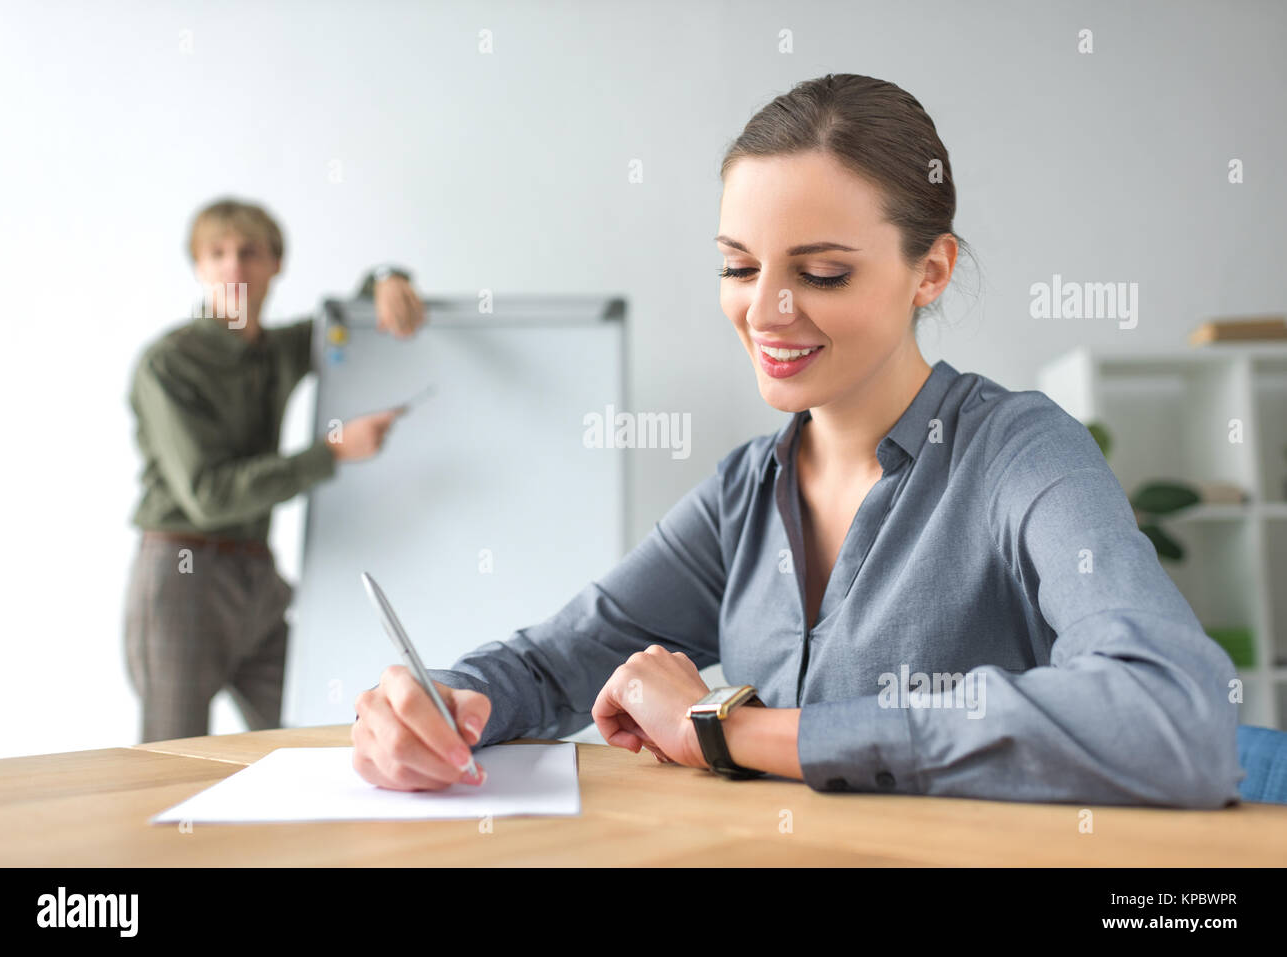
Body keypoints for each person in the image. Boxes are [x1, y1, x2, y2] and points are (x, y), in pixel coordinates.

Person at [351, 74, 1243, 807]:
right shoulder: (746, 492)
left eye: (820, 272)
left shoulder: (1021, 453)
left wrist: (731, 730)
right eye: (739, 266)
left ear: (930, 270)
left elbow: (1173, 713)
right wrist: (442, 701)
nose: (767, 310)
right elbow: (552, 660)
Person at [124, 197, 425, 744]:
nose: (234, 265)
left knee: (312, 741)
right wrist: (332, 450)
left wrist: (389, 278)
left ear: (275, 264)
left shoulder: (279, 350)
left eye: (249, 251)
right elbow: (209, 496)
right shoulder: (169, 363)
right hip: (182, 574)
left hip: (257, 578)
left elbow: (357, 311)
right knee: (172, 757)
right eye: (217, 253)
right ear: (199, 267)